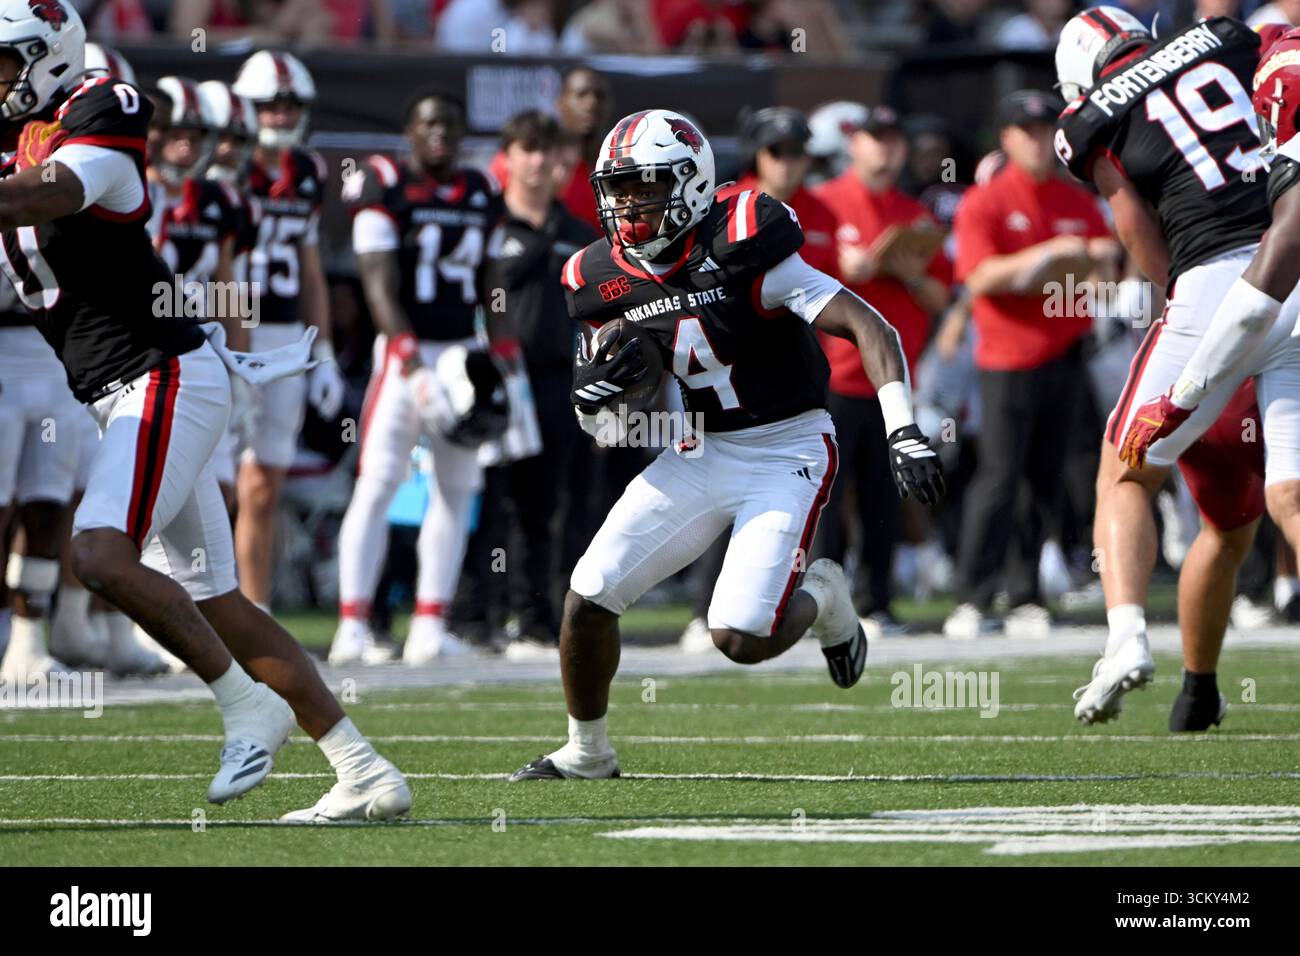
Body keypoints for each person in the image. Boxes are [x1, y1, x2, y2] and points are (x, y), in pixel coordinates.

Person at [0, 1, 409, 819]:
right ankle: (365, 771)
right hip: (128, 387)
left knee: (100, 556)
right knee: (219, 599)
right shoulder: (17, 139)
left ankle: (242, 702)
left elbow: (48, 193)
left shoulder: (101, 107)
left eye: (6, 61)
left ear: (47, 58)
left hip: (162, 375)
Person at [509, 109, 944, 781]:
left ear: (689, 182)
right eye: (617, 190)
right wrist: (600, 400)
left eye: (643, 188)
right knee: (589, 595)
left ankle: (826, 594)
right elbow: (617, 407)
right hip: (699, 448)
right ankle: (588, 751)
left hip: (787, 446)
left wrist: (903, 429)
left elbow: (869, 324)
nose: (626, 207)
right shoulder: (598, 276)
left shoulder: (745, 240)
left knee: (739, 637)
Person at [1115, 25, 1300, 726]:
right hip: (1279, 331)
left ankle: (1160, 663)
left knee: (1235, 509)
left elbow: (1260, 296)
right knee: (1285, 496)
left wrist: (1181, 395)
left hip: (1247, 318)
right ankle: (1197, 689)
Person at [331, 89, 510, 666]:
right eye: (429, 123)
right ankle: (353, 625)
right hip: (405, 354)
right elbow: (377, 283)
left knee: (458, 488)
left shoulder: (481, 191)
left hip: (460, 353)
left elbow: (489, 278)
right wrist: (409, 361)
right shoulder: (385, 183)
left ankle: (430, 623)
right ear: (409, 130)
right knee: (378, 482)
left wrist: (498, 350)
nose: (440, 133)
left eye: (450, 125)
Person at [944, 88, 1117, 640]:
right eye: (1027, 132)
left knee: (1047, 481)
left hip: (1064, 357)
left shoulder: (1075, 201)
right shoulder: (987, 201)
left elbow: (1107, 275)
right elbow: (977, 277)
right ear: (1007, 138)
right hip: (1007, 360)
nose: (1038, 141)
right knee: (998, 479)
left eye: (1046, 131)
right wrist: (1043, 262)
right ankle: (972, 597)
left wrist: (1091, 269)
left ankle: (1025, 594)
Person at [448, 110, 598, 655]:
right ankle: (469, 617)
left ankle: (534, 619)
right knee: (482, 499)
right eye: (527, 149)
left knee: (548, 507)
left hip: (559, 382)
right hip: (493, 378)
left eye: (548, 151)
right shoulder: (483, 229)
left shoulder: (578, 234)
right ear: (506, 156)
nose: (538, 162)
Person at [814, 105, 952, 633]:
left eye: (894, 140)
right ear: (855, 144)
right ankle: (821, 601)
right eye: (876, 139)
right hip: (833, 374)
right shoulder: (825, 204)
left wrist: (910, 276)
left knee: (883, 496)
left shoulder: (914, 214)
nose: (886, 149)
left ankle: (876, 603)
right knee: (826, 499)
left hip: (891, 380)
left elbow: (941, 296)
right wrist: (844, 272)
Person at [231, 50, 345, 612]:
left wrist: (321, 346)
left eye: (289, 105)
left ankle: (255, 613)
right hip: (226, 334)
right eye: (269, 106)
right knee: (212, 486)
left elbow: (310, 267)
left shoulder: (308, 172)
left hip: (282, 337)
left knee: (263, 486)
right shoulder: (224, 168)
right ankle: (189, 609)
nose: (279, 115)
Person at [489, 66, 610, 228]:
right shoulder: (523, 156)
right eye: (581, 95)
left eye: (599, 96)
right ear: (560, 102)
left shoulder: (616, 160)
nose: (592, 103)